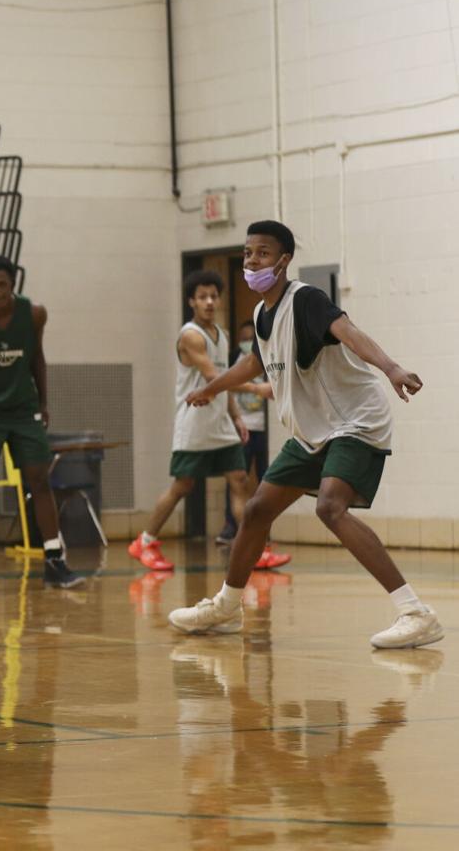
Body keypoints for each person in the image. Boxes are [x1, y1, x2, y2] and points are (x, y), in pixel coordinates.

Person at [171, 220, 438, 649]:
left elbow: (349, 333)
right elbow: (254, 364)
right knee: (257, 510)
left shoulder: (307, 300)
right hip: (313, 430)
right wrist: (212, 387)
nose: (252, 260)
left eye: (261, 253)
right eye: (247, 253)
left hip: (354, 420)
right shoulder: (261, 314)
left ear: (284, 260)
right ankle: (226, 606)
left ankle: (415, 613)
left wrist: (391, 368)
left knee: (330, 507)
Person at [126, 271, 286, 572]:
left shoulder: (222, 334)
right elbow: (215, 378)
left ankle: (254, 549)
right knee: (182, 486)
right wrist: (256, 389)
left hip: (221, 425)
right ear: (192, 302)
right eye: (203, 297)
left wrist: (236, 416)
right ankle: (145, 541)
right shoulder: (190, 336)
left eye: (214, 296)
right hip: (195, 425)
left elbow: (222, 382)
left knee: (240, 481)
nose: (210, 302)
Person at [0, 255, 83, 590]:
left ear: (13, 285)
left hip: (23, 407)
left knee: (39, 480)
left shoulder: (34, 314)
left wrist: (44, 401)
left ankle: (54, 560)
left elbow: (37, 356)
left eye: (1, 285)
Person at [216, 320, 269, 545]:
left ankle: (263, 532)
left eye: (250, 339)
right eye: (243, 339)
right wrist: (253, 387)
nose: (247, 342)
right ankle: (231, 527)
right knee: (238, 479)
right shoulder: (233, 361)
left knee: (268, 482)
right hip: (243, 430)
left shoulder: (268, 359)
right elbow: (223, 382)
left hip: (264, 430)